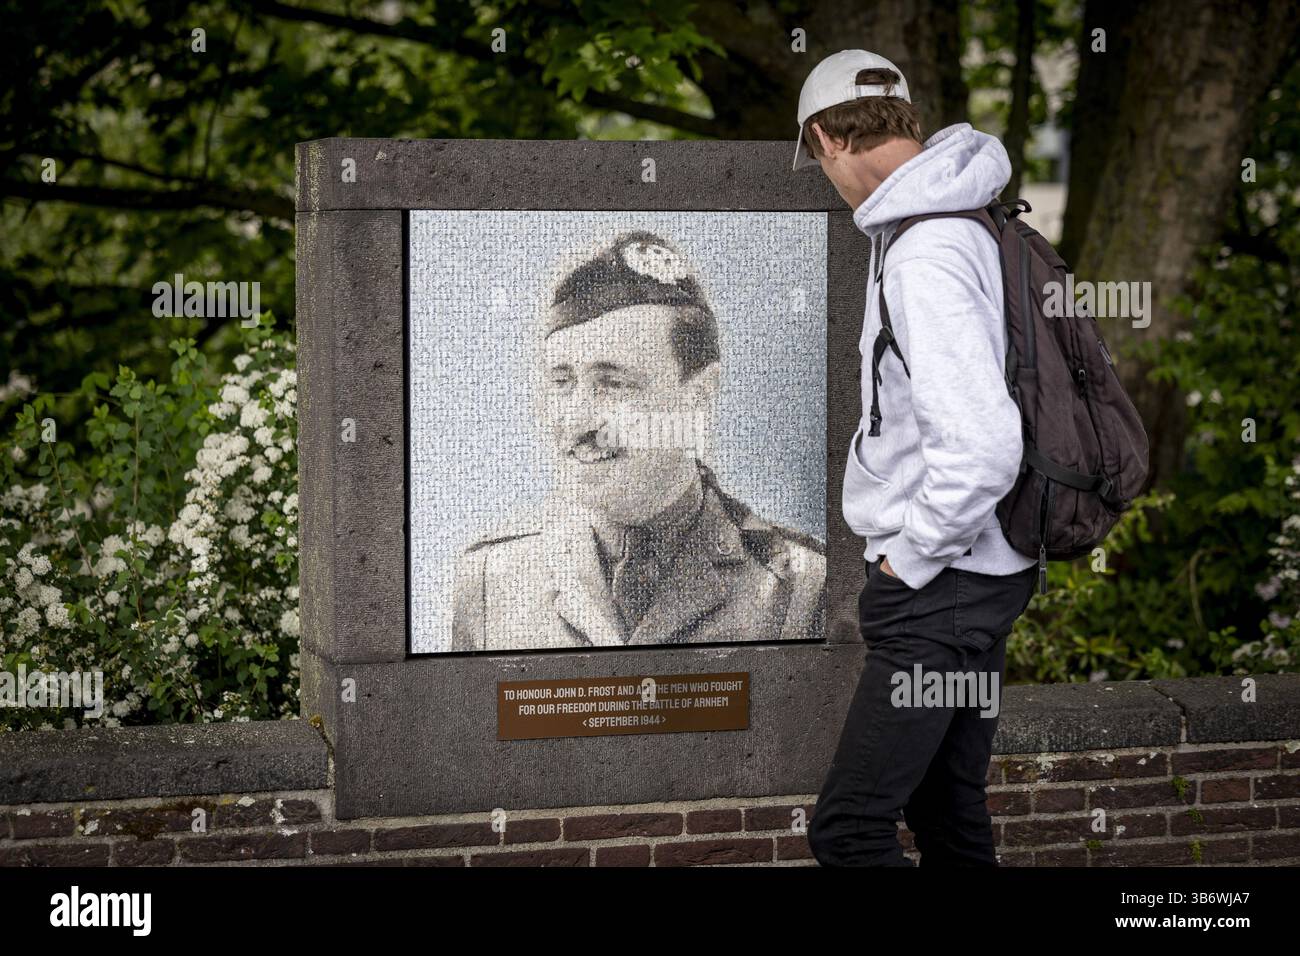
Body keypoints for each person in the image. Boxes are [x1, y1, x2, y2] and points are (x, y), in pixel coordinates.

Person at [795, 50, 1038, 866]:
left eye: (817, 157)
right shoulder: (967, 220)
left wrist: (908, 562)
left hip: (940, 589)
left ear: (828, 138)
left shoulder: (926, 252)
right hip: (985, 577)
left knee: (851, 831)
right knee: (946, 808)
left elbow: (983, 445)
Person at [451, 231, 825, 652]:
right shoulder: (491, 578)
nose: (577, 420)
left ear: (699, 395)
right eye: (561, 382)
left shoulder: (799, 587)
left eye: (612, 384)